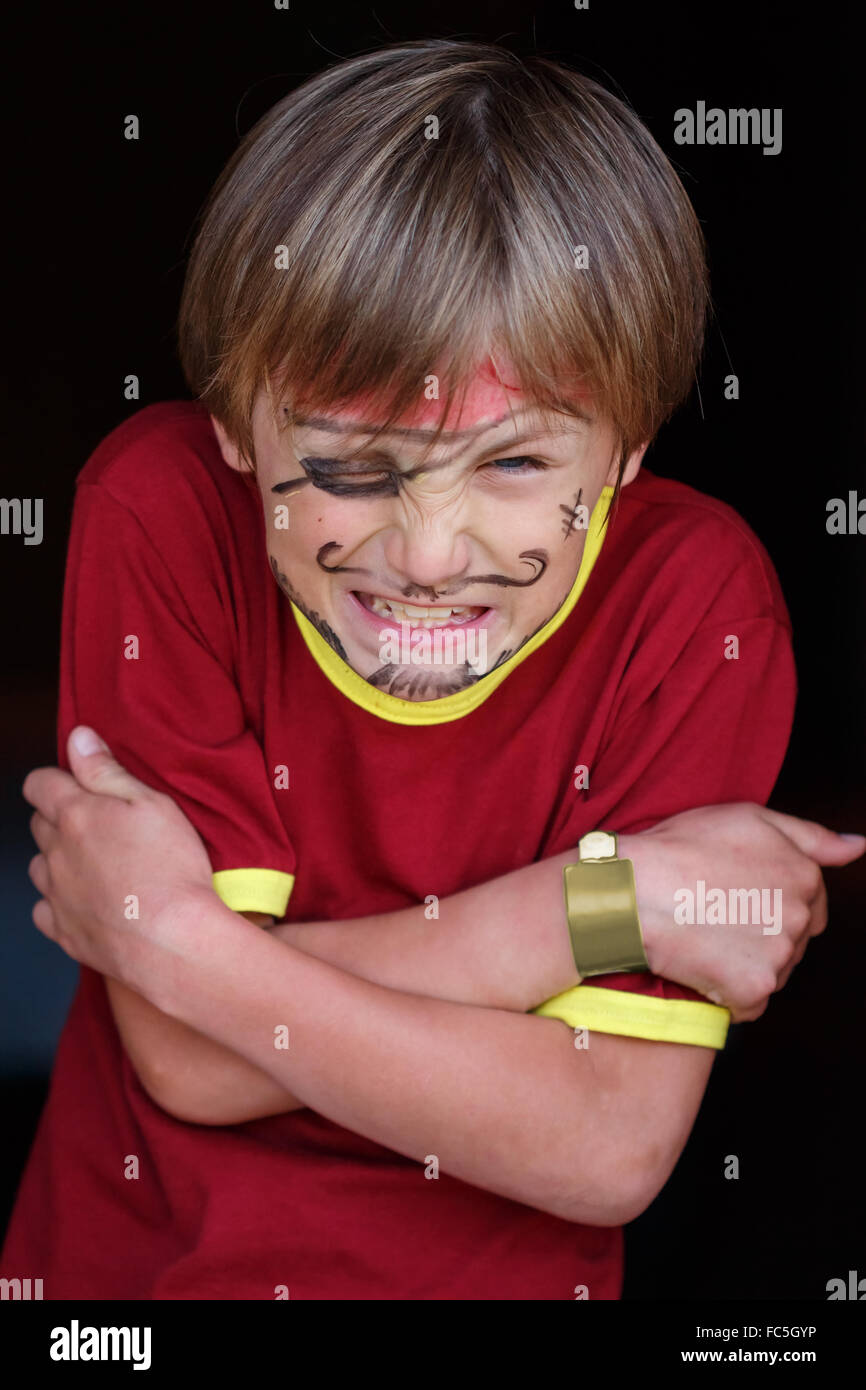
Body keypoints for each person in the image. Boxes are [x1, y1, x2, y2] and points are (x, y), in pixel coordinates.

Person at [3, 39, 862, 1301]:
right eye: (351, 465)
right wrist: (600, 904)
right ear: (239, 425)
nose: (423, 555)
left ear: (624, 448)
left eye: (513, 465)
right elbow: (182, 1062)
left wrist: (185, 946)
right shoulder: (163, 511)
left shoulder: (691, 605)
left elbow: (605, 1146)